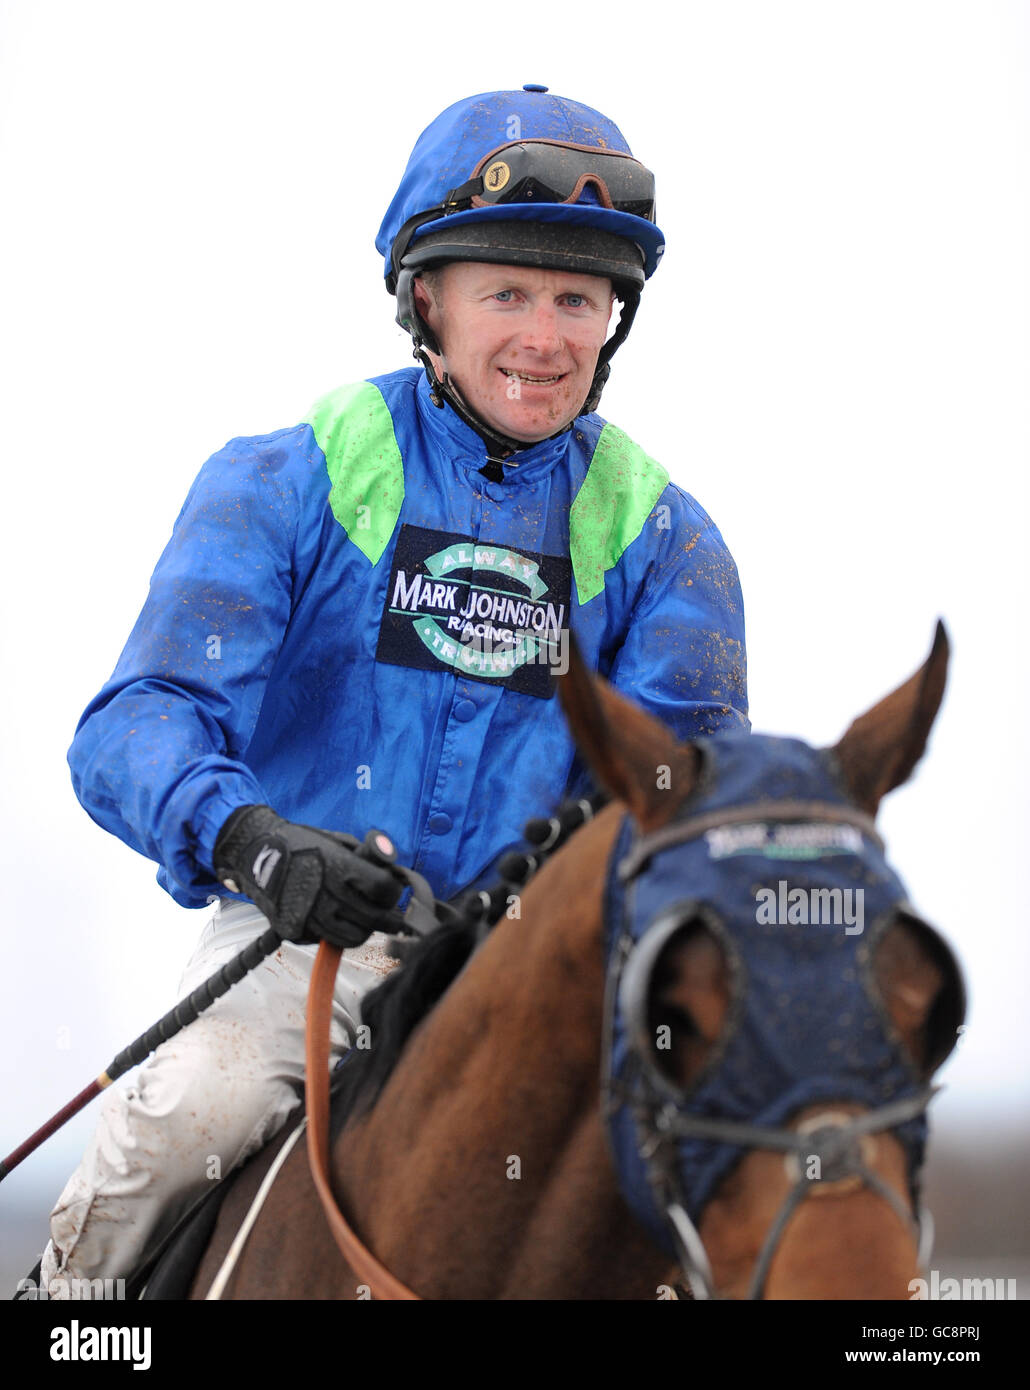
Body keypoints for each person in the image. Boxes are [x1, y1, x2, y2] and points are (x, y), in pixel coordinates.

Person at [36, 84, 748, 1297]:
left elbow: (685, 804)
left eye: (577, 299)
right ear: (429, 299)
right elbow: (135, 724)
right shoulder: (285, 475)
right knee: (165, 1129)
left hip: (531, 986)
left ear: (613, 321)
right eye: (506, 293)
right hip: (300, 946)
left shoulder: (669, 542)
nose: (545, 333)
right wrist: (256, 843)